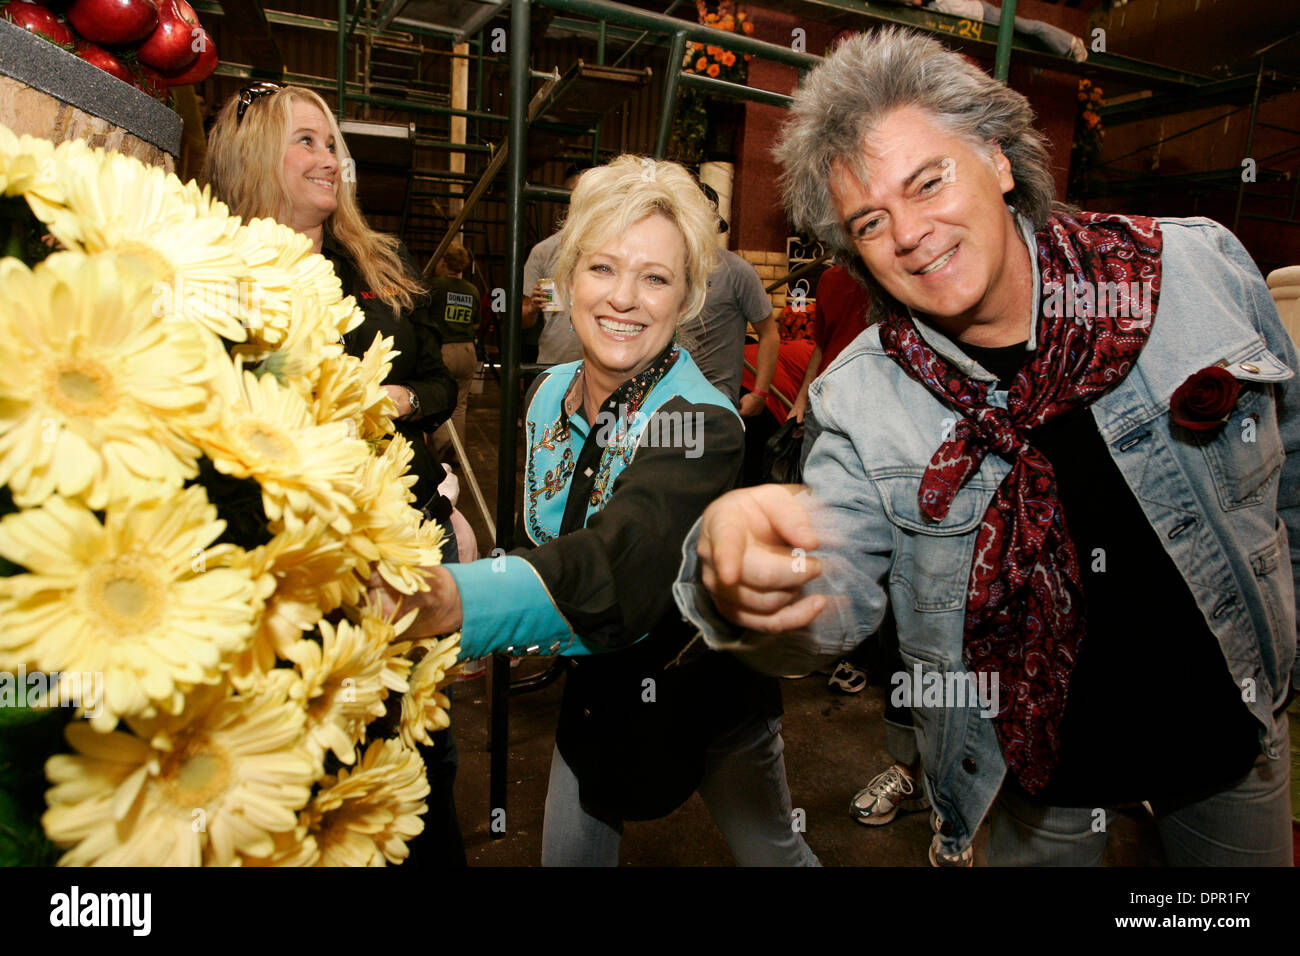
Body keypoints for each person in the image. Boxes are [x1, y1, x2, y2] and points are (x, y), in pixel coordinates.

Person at [675, 29, 1296, 867]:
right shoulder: (861, 400)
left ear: (999, 160)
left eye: (928, 181)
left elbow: (1290, 462)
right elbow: (834, 602)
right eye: (870, 221)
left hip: (1228, 731)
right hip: (1032, 774)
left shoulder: (1190, 270)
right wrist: (752, 582)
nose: (910, 233)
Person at [380, 155, 818, 867]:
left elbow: (621, 561)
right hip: (595, 691)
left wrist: (449, 600)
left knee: (773, 853)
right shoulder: (545, 394)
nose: (624, 298)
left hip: (706, 695)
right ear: (567, 278)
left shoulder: (702, 424)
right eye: (603, 268)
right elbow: (537, 537)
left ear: (687, 299)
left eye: (656, 278)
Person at [204, 82, 467, 866]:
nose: (328, 159)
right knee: (318, 756)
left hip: (407, 536)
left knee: (424, 749)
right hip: (299, 560)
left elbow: (441, 381)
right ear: (254, 157)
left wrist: (398, 400)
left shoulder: (379, 261)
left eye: (332, 145)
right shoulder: (215, 272)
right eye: (306, 142)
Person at [676, 182, 780, 417]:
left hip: (714, 402)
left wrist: (760, 393)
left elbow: (769, 334)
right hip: (664, 398)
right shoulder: (664, 268)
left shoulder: (736, 271)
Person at [521, 163, 590, 366]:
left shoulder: (615, 250)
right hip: (554, 363)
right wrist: (532, 307)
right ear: (566, 198)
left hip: (601, 368)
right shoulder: (544, 252)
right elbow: (523, 321)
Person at [428, 241, 481, 459]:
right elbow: (476, 323)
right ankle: (457, 453)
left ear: (442, 260)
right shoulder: (472, 290)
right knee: (460, 405)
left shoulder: (434, 286)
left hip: (443, 350)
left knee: (439, 401)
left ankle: (441, 451)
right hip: (467, 351)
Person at [908, 0, 1088, 62]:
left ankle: (1071, 43)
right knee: (1028, 32)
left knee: (1029, 28)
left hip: (985, 13)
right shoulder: (933, 8)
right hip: (977, 19)